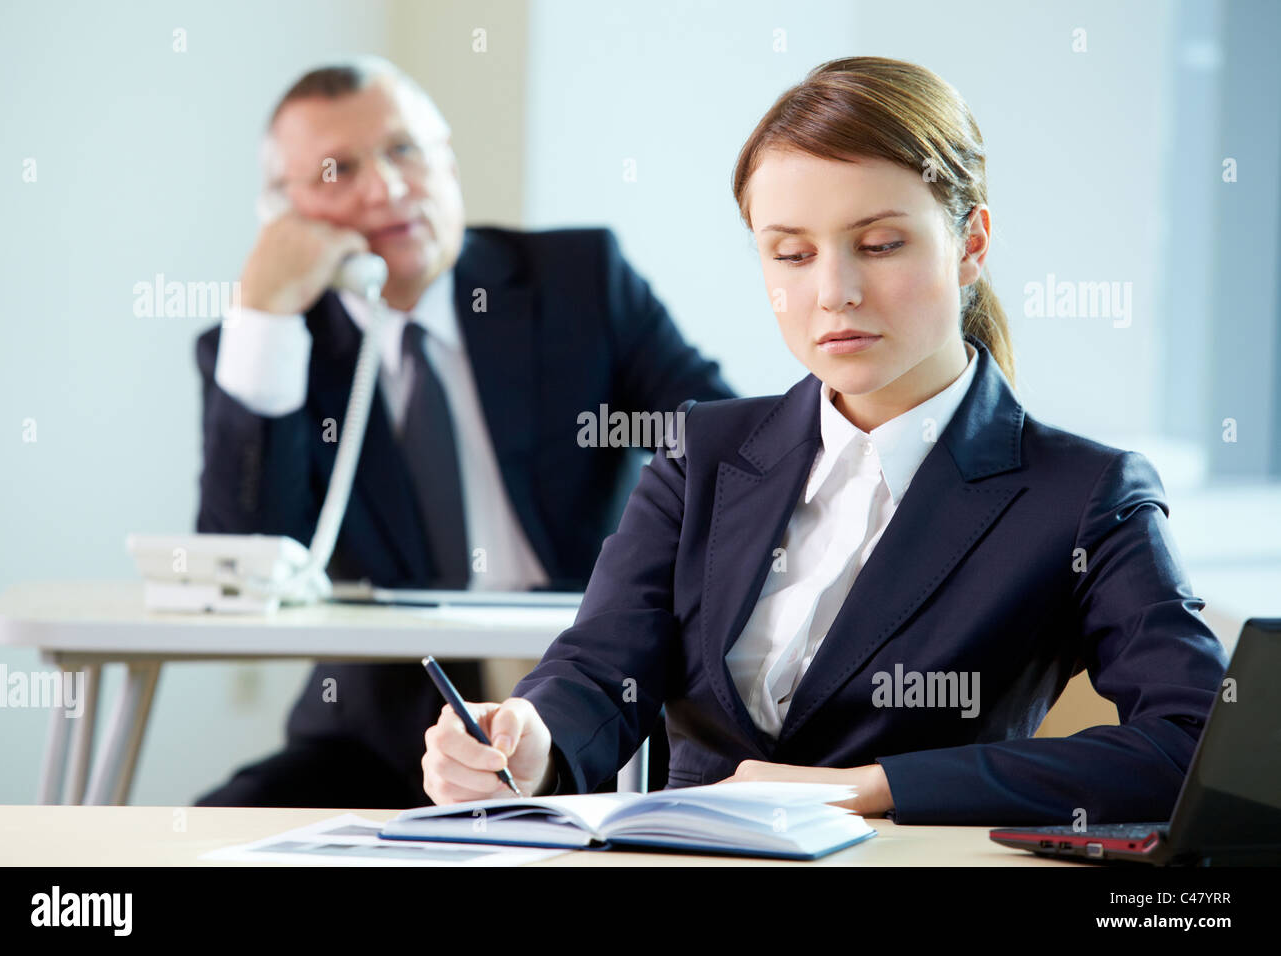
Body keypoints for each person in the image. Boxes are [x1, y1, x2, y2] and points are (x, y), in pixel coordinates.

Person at [421, 56, 1230, 825]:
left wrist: (874, 788)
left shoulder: (1083, 494)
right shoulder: (704, 454)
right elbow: (599, 670)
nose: (833, 292)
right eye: (791, 253)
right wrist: (530, 740)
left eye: (879, 245)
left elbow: (1194, 742)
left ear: (971, 244)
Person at [193, 56, 734, 808]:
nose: (383, 187)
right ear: (283, 212)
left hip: (602, 709)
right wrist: (265, 315)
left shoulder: (579, 279)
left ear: (446, 158)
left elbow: (726, 460)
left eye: (403, 150)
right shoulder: (271, 349)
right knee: (210, 832)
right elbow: (242, 570)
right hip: (384, 740)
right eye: (336, 168)